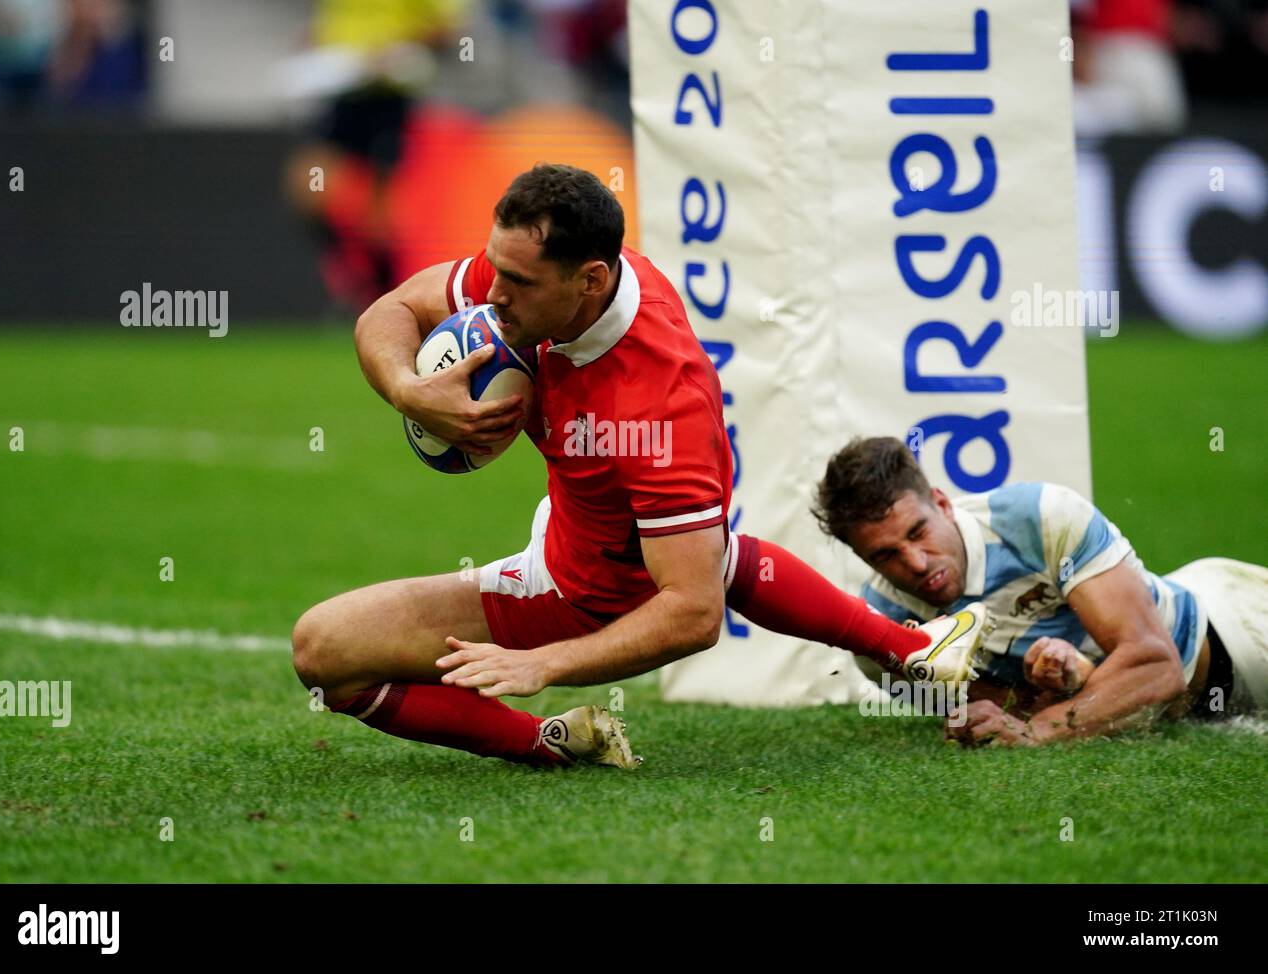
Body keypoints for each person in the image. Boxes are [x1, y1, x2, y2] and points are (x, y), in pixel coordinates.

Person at [291, 164, 990, 769]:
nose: (491, 295)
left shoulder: (658, 404)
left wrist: (544, 664)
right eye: (492, 270)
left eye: (516, 282)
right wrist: (409, 391)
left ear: (590, 280)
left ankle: (546, 743)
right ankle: (913, 645)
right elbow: (392, 309)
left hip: (586, 596)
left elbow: (691, 615)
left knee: (323, 653)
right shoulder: (535, 282)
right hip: (591, 532)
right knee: (712, 550)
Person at [813, 436, 1268, 746]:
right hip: (1176, 710)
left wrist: (1037, 733)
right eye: (885, 555)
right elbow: (1011, 713)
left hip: (1236, 633)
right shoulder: (883, 641)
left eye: (918, 532)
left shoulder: (1041, 516)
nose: (915, 562)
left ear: (943, 503)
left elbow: (1156, 665)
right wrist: (1059, 687)